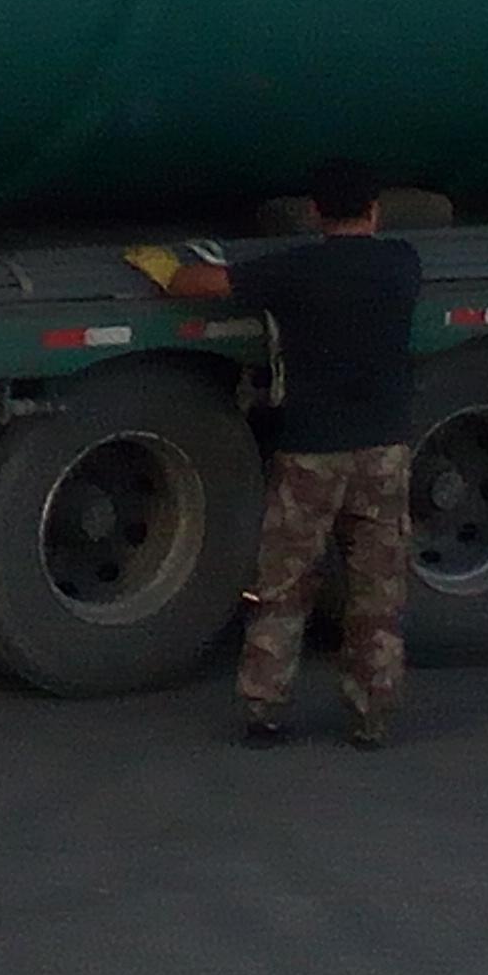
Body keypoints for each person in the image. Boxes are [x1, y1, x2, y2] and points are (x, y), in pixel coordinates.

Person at [163, 162, 423, 750]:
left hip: (311, 449)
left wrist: (167, 268)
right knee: (377, 591)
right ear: (375, 211)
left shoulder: (295, 270)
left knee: (285, 584)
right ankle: (373, 715)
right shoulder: (401, 263)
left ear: (315, 213)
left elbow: (202, 286)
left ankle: (265, 709)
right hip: (383, 450)